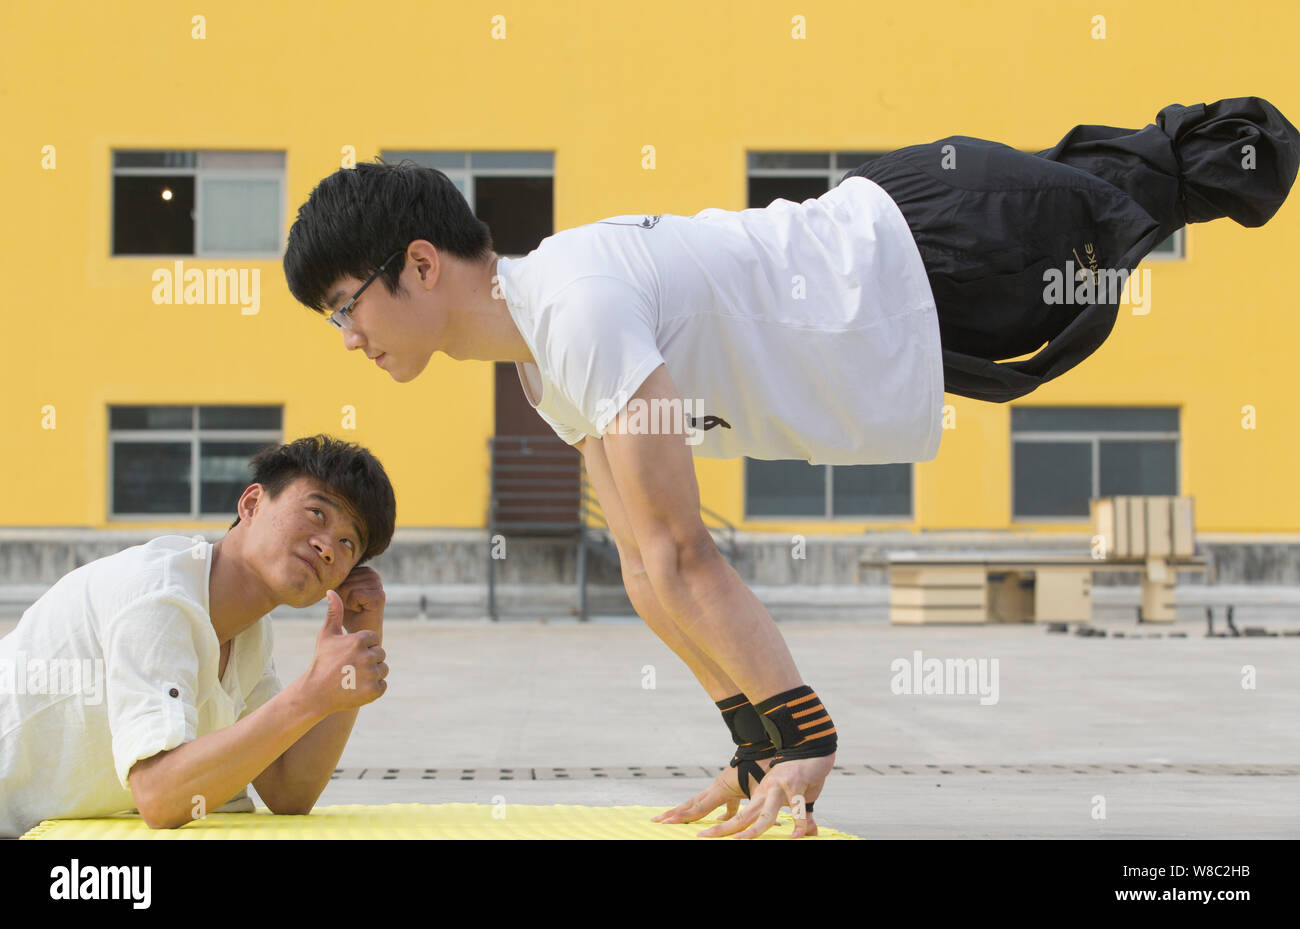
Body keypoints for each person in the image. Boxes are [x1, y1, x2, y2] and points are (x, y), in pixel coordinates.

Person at [281, 96, 1298, 838]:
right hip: (925, 272)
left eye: (343, 305)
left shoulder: (573, 309)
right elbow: (641, 563)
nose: (345, 336)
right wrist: (751, 736)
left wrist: (802, 733)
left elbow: (683, 549)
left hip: (944, 243)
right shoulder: (546, 353)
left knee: (1180, 173)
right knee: (1143, 187)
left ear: (418, 264)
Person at [0, 435, 396, 837]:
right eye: (316, 513)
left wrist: (359, 643)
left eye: (348, 542)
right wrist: (310, 693)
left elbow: (288, 790)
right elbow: (160, 796)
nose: (327, 546)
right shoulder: (158, 596)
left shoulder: (252, 635)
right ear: (252, 504)